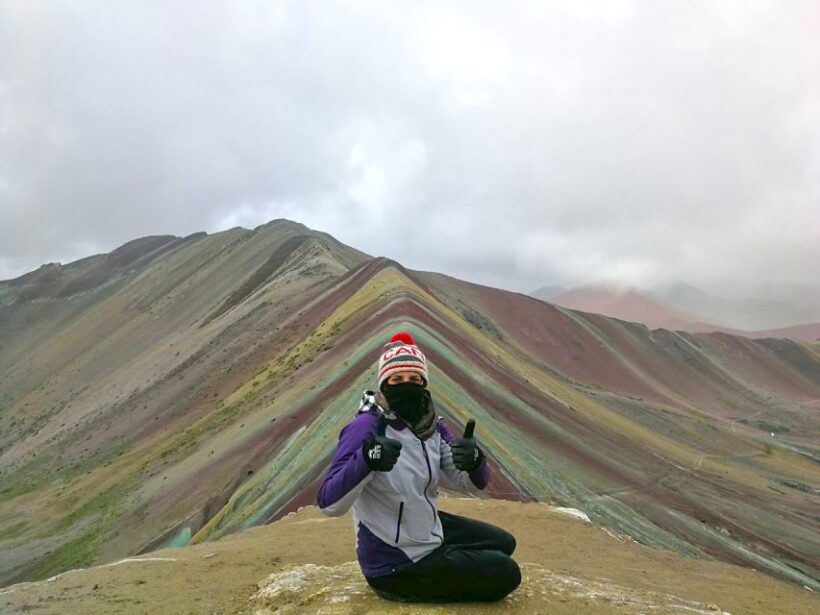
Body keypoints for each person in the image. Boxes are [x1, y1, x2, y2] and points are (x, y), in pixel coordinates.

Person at [316, 331, 521, 603]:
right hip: (394, 562)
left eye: (414, 379)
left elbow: (472, 482)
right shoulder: (366, 427)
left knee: (504, 543)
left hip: (422, 526)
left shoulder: (430, 424)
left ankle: (441, 552)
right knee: (507, 573)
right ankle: (432, 564)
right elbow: (330, 503)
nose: (406, 385)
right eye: (396, 379)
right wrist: (368, 459)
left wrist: (473, 460)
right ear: (384, 383)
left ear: (424, 383)